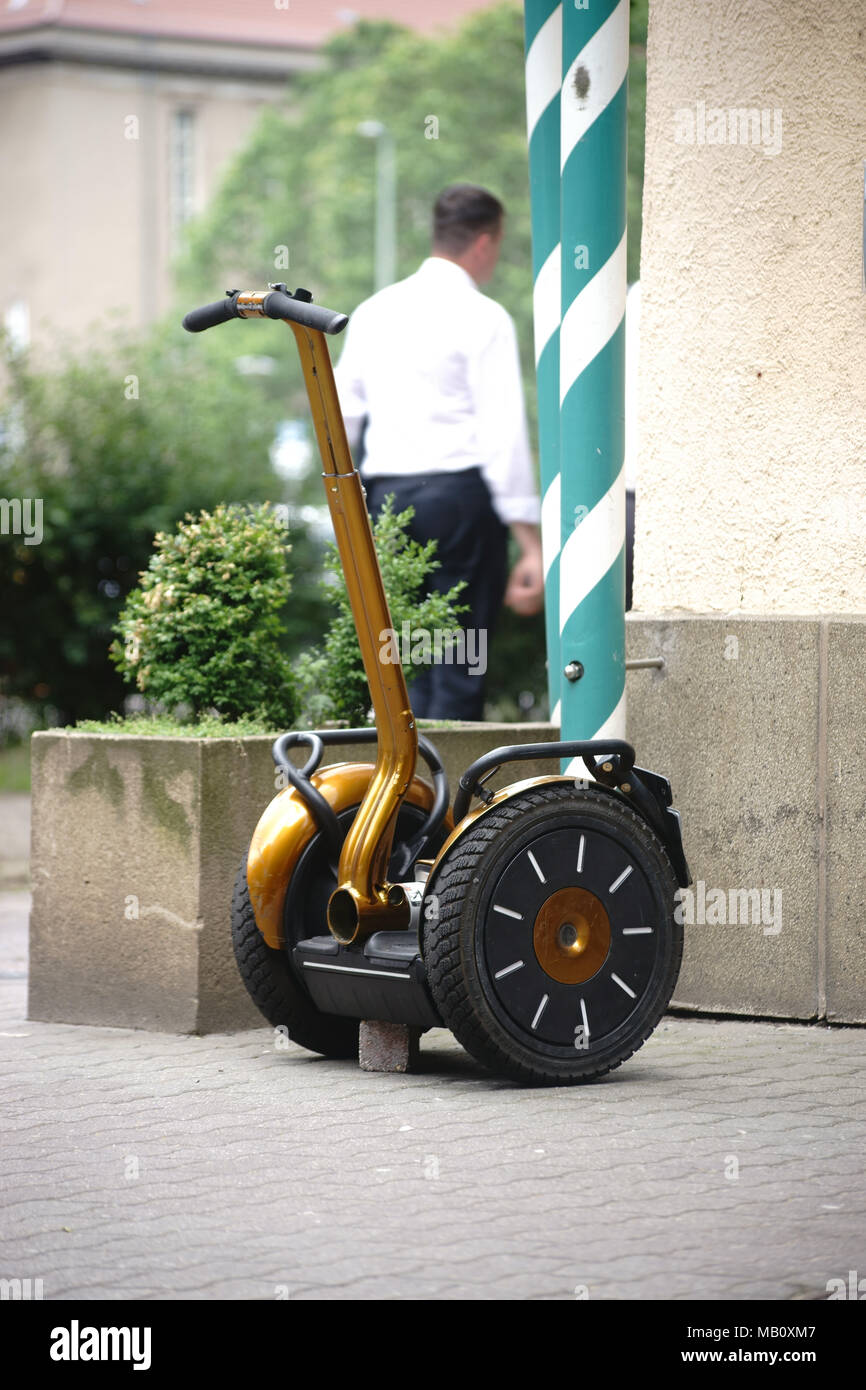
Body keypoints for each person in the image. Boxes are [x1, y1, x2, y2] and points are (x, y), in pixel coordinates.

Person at [333, 183, 543, 720]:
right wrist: (530, 543)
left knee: (400, 660)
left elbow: (341, 417)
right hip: (458, 501)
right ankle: (451, 796)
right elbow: (503, 435)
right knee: (459, 661)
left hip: (386, 500)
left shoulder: (374, 311)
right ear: (483, 241)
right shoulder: (484, 316)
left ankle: (404, 793)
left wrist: (349, 511)